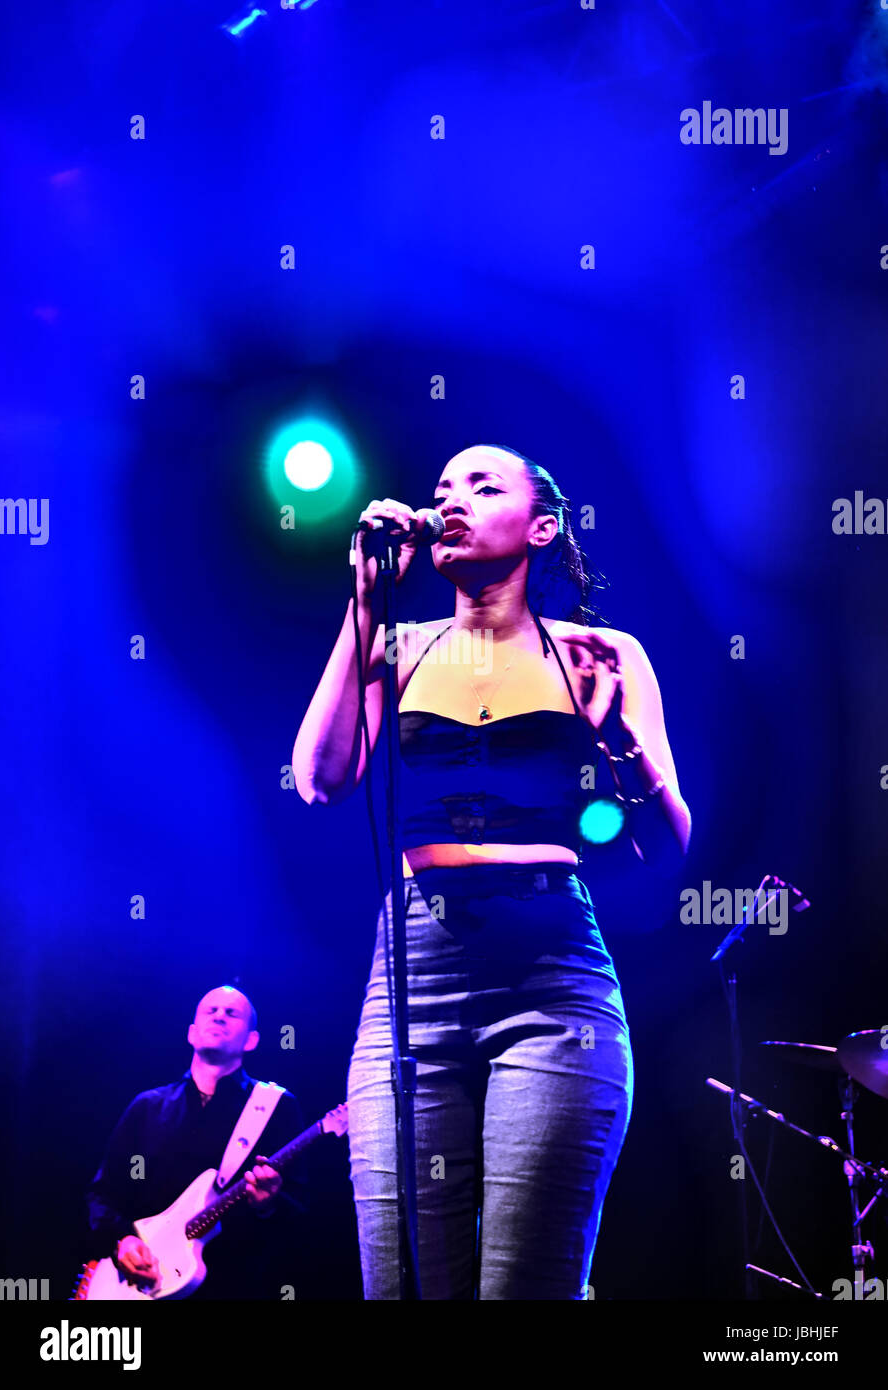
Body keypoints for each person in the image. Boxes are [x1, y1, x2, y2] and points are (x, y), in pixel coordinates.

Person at [293, 443, 691, 1299]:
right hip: (410, 978)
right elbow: (320, 782)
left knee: (526, 1287)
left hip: (552, 980)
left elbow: (665, 851)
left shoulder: (601, 652)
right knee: (403, 1285)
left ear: (541, 527)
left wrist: (616, 738)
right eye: (443, 489)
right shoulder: (393, 644)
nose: (454, 500)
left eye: (483, 485)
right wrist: (361, 606)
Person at [85, 985, 308, 1300]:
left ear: (252, 1040)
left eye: (232, 1013)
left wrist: (268, 1204)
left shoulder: (276, 1106)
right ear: (191, 1033)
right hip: (140, 1284)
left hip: (235, 1287)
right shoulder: (147, 1106)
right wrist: (123, 1240)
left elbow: (298, 1210)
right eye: (210, 1010)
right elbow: (104, 1194)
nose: (219, 1016)